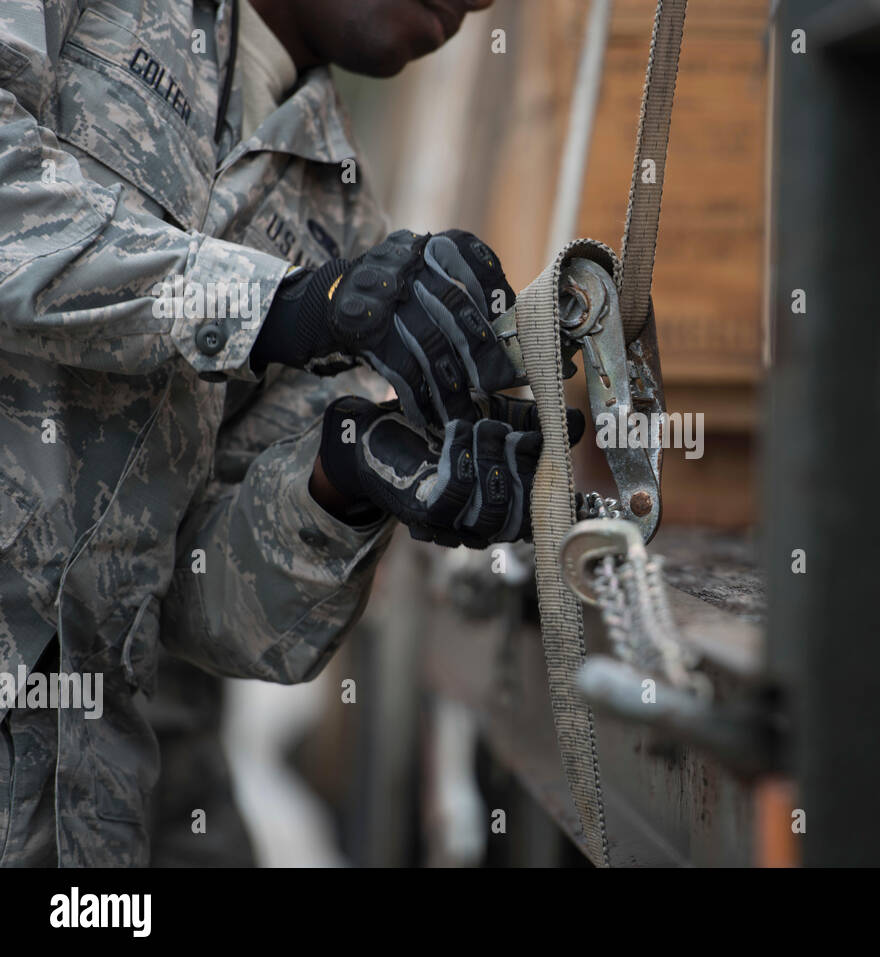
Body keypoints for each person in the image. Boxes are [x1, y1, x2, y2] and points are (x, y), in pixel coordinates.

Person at [0, 0, 567, 866]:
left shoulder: (343, 224)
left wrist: (344, 479)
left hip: (74, 822)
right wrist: (280, 305)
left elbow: (202, 605)